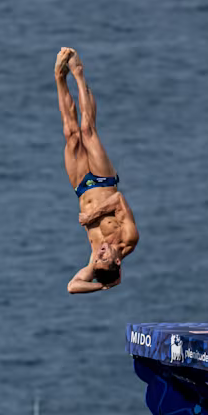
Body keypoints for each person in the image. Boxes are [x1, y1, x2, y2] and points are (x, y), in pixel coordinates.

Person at [54, 47, 139, 294]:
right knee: (88, 131)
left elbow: (73, 286)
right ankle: (78, 74)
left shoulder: (98, 265)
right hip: (103, 181)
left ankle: (59, 79)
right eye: (105, 256)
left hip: (81, 186)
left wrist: (103, 285)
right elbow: (119, 200)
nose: (99, 253)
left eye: (98, 258)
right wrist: (93, 217)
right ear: (118, 261)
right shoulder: (129, 238)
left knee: (71, 135)